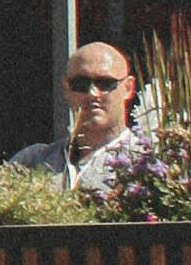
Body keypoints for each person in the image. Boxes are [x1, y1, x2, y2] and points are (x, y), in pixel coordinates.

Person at [10, 42, 136, 179]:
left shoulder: (145, 163)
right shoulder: (32, 162)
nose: (92, 93)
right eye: (80, 84)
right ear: (66, 89)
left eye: (105, 83)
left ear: (128, 88)